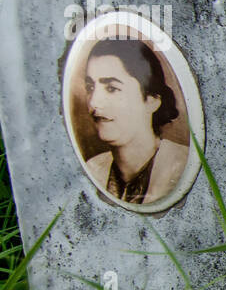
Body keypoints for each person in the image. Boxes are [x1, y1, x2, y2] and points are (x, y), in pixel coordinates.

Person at [81, 36, 189, 205]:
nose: (94, 102)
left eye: (112, 88)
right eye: (90, 87)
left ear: (151, 100)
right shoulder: (93, 169)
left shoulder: (182, 165)